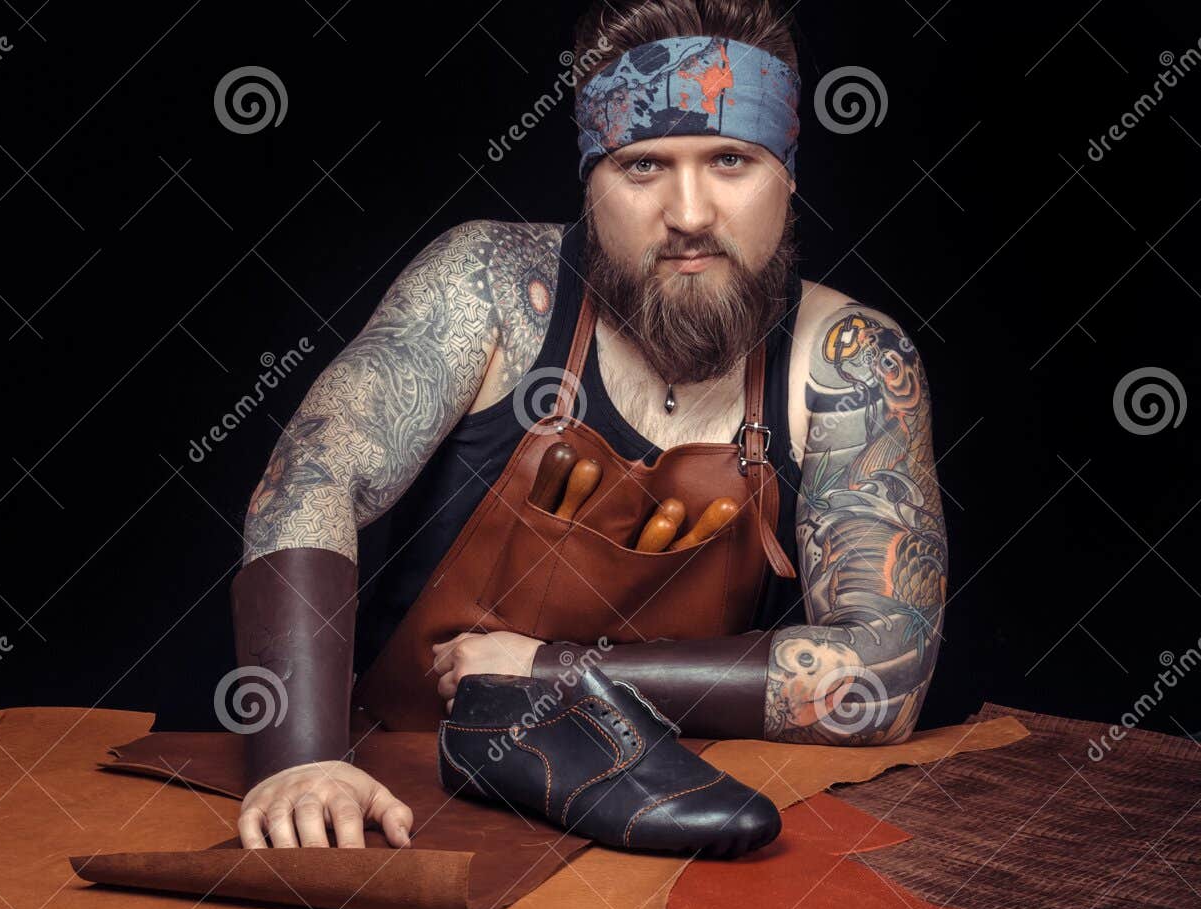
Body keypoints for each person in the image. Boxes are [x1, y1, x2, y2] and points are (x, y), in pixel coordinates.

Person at [228, 0, 947, 849]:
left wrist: (551, 672)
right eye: (643, 167)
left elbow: (884, 677)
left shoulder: (850, 361)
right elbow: (310, 479)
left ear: (787, 175)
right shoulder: (489, 287)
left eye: (728, 159)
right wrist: (302, 760)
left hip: (666, 808)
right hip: (405, 804)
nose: (689, 212)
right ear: (590, 181)